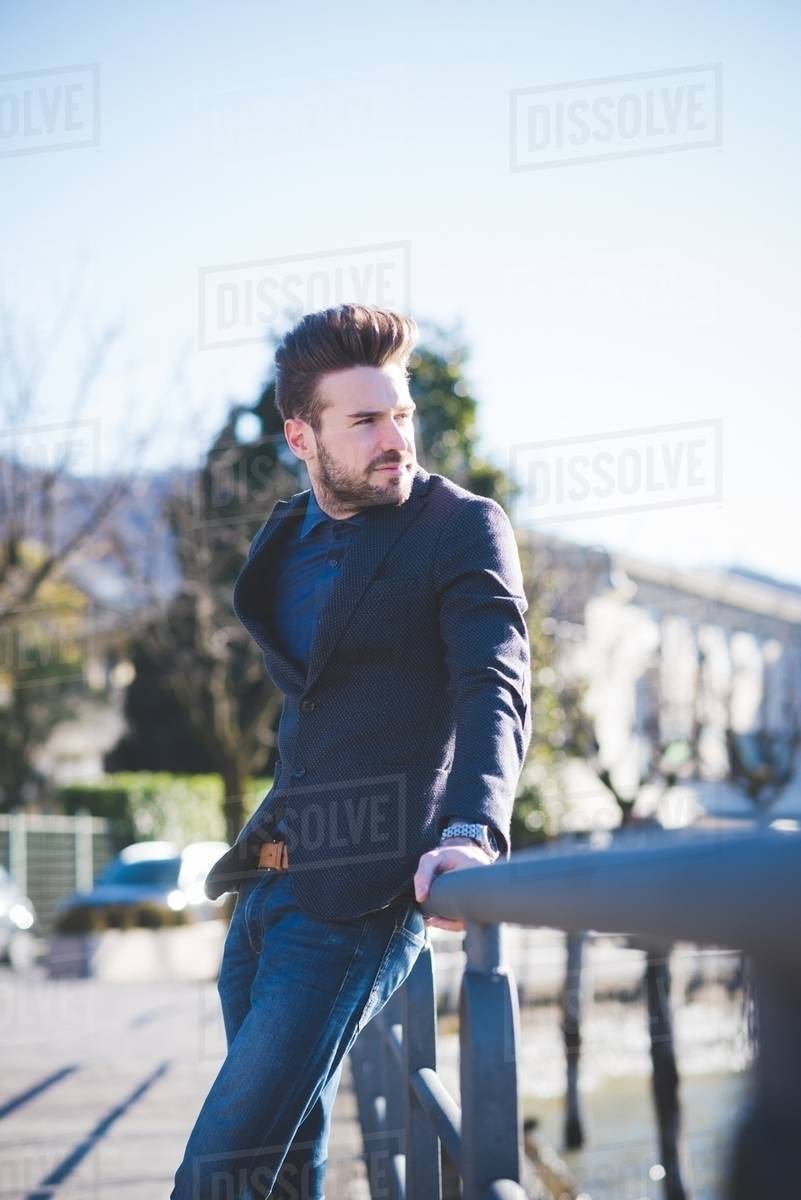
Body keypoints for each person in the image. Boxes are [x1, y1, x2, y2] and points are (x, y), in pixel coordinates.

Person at [171, 303, 531, 1199]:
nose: (393, 437)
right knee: (286, 1158)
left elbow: (492, 684)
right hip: (265, 890)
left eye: (400, 414)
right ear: (302, 434)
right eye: (365, 420)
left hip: (359, 896)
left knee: (218, 1167)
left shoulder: (460, 527)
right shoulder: (283, 540)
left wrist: (473, 828)